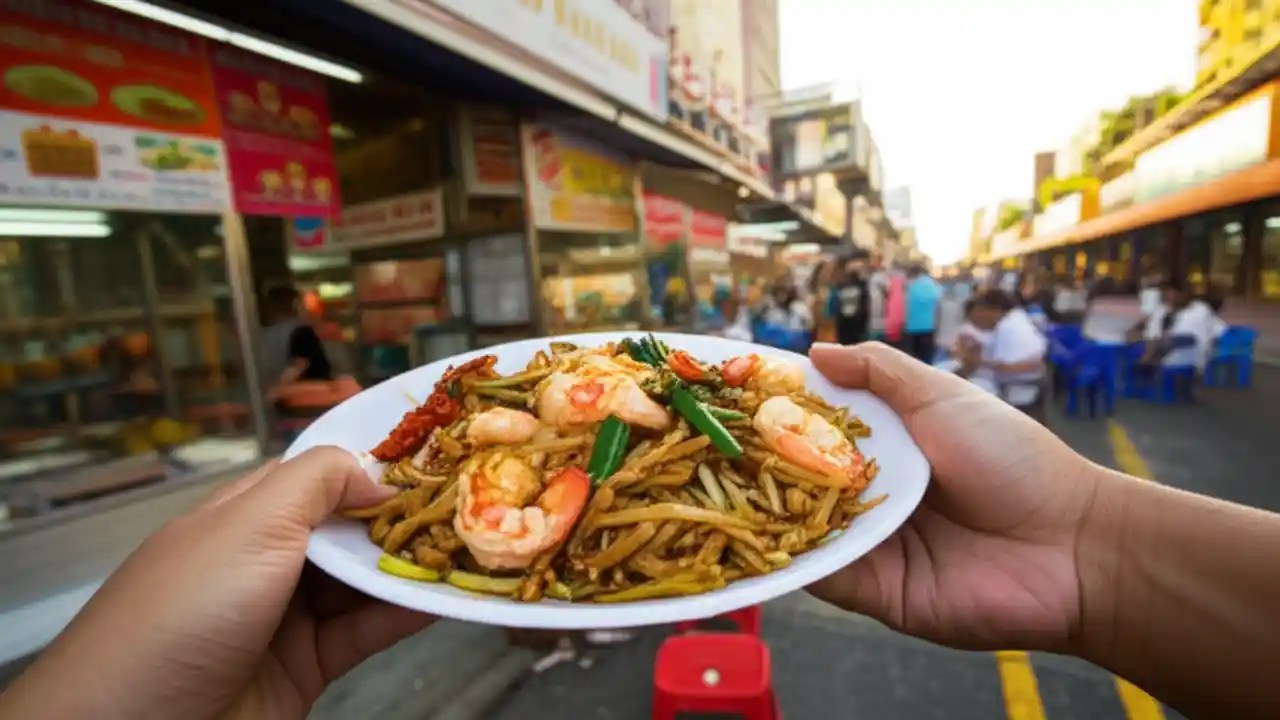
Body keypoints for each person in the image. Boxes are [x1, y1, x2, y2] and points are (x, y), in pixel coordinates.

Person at [4, 345, 1279, 720]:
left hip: (713, 473)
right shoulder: (483, 429)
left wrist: (1088, 548)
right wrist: (1091, 553)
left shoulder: (731, 423)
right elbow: (486, 456)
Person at [960, 289, 1048, 422]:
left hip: (1019, 387)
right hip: (1028, 383)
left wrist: (979, 362)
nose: (977, 324)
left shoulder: (1008, 328)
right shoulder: (1015, 319)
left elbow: (1011, 366)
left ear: (990, 310)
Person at [903, 264, 942, 363]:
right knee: (927, 360)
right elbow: (938, 305)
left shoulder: (909, 285)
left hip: (911, 327)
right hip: (928, 327)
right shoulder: (934, 285)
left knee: (912, 360)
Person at [830, 255, 871, 345]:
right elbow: (865, 305)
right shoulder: (862, 285)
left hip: (843, 323)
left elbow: (837, 304)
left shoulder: (840, 285)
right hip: (857, 324)